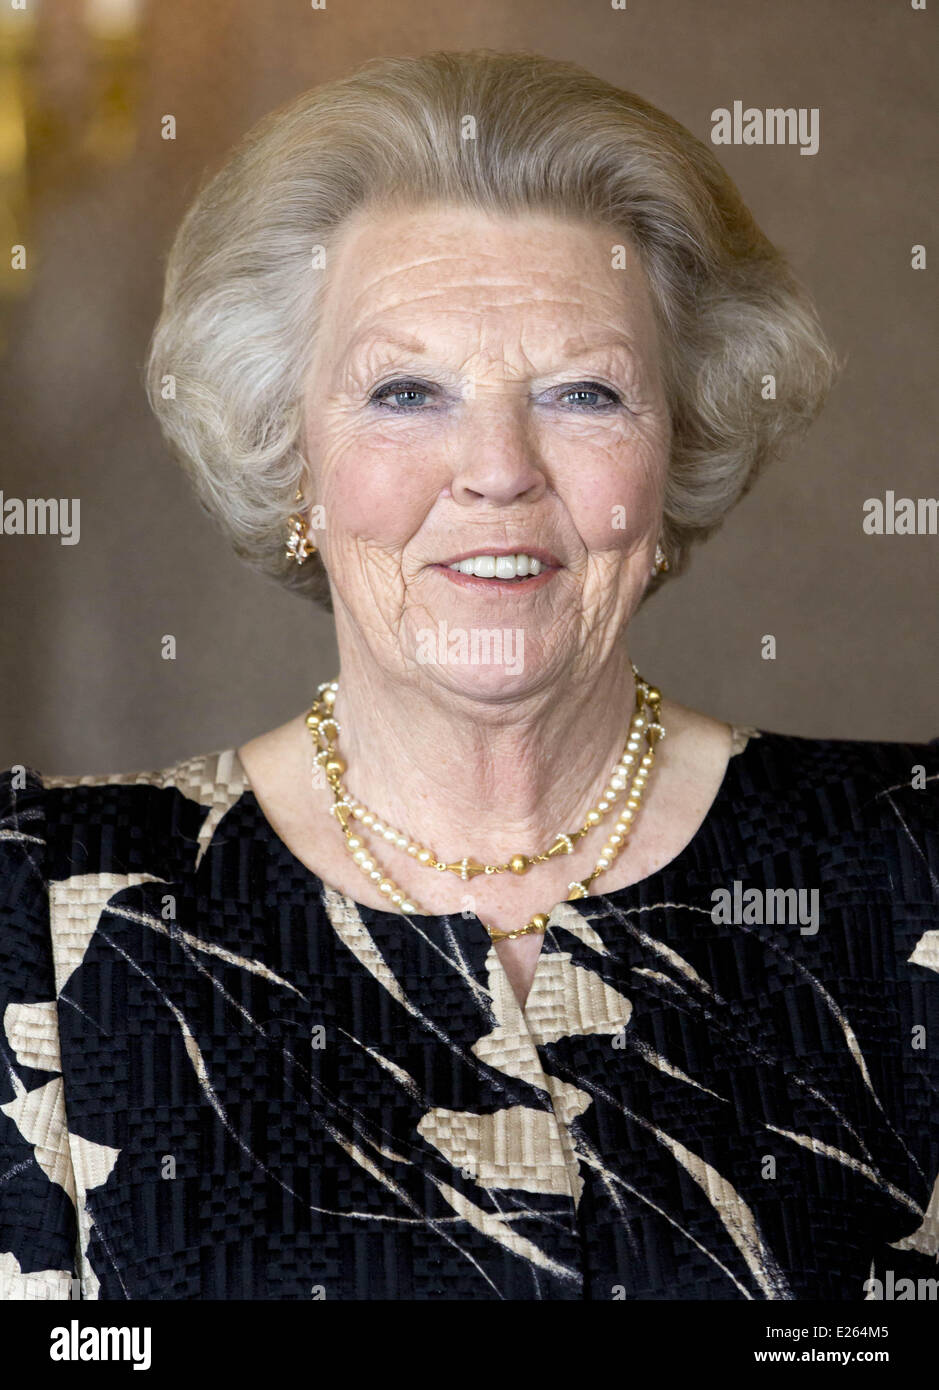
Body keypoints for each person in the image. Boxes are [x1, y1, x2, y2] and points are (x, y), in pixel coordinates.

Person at [1, 49, 936, 1301]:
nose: (498, 469)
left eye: (585, 392)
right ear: (293, 466)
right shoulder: (48, 917)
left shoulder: (909, 867)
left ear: (677, 453)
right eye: (406, 391)